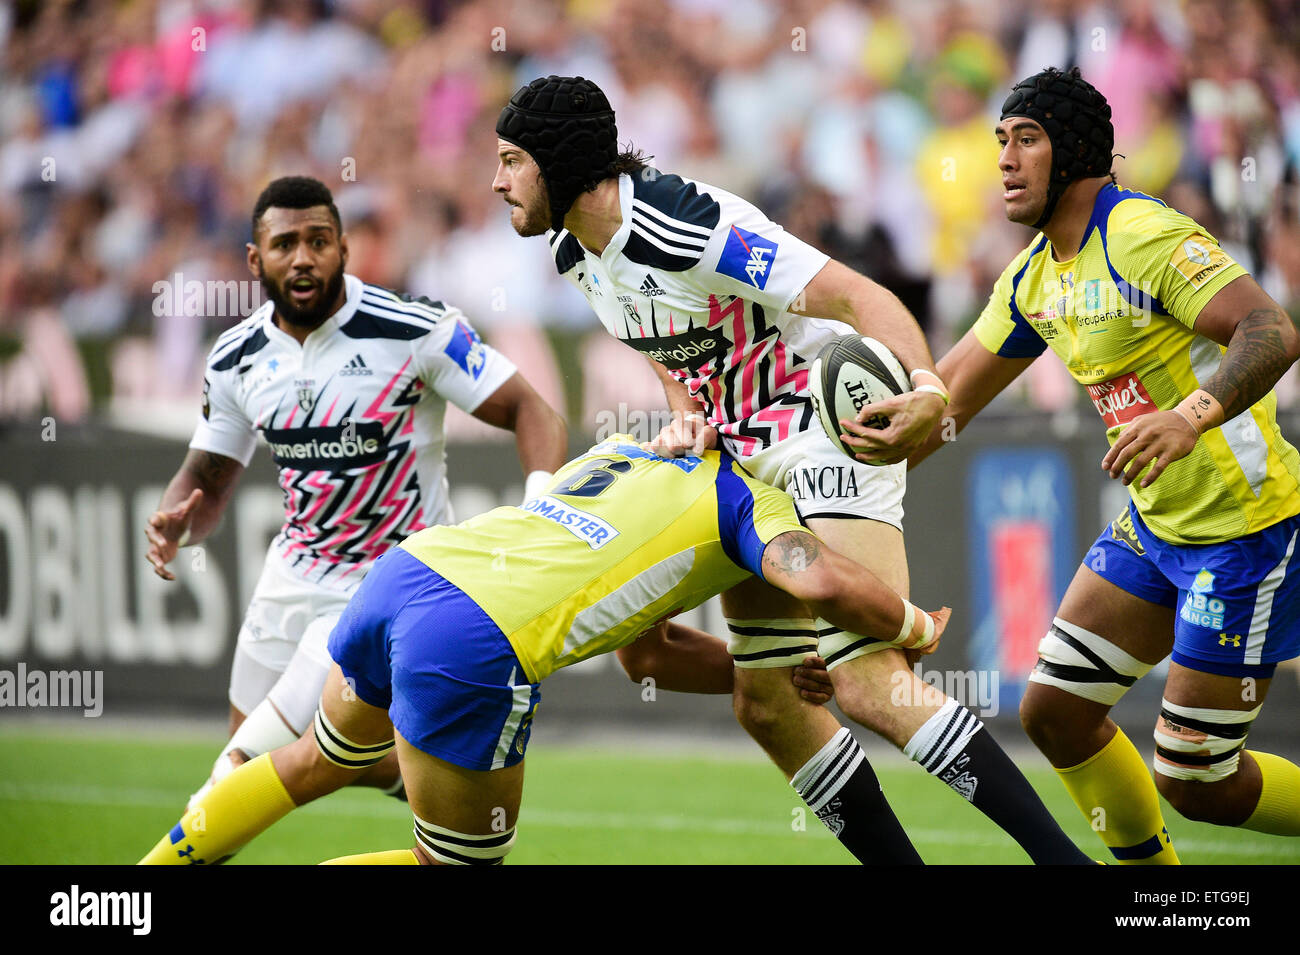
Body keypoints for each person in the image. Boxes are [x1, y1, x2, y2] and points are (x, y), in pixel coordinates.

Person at [490, 76, 1092, 864]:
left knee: (869, 680)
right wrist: (685, 406)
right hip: (739, 456)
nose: (497, 181)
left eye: (510, 160)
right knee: (769, 702)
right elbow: (661, 334)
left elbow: (857, 296)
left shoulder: (685, 223)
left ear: (560, 161)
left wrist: (928, 387)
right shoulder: (575, 249)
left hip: (817, 421)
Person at [140, 434, 960, 865]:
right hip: (469, 641)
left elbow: (646, 659)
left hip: (409, 573)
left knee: (307, 764)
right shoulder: (752, 493)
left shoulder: (630, 454)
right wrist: (914, 627)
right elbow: (815, 580)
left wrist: (766, 673)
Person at [868, 66, 1300, 863]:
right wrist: (826, 488)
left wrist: (1190, 413)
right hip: (1157, 530)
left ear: (1073, 152)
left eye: (1024, 139)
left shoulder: (1141, 235)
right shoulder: (1035, 275)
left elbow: (1272, 330)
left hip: (1244, 532)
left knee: (1197, 779)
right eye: (1000, 140)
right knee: (1054, 713)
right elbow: (945, 399)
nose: (1003, 158)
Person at [144, 176, 567, 807]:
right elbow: (207, 480)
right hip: (290, 578)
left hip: (386, 585)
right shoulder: (234, 358)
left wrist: (541, 508)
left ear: (343, 247)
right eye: (285, 243)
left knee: (232, 775)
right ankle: (412, 776)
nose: (304, 256)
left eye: (319, 240)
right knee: (270, 764)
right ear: (256, 261)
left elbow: (533, 412)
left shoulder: (413, 329)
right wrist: (176, 522)